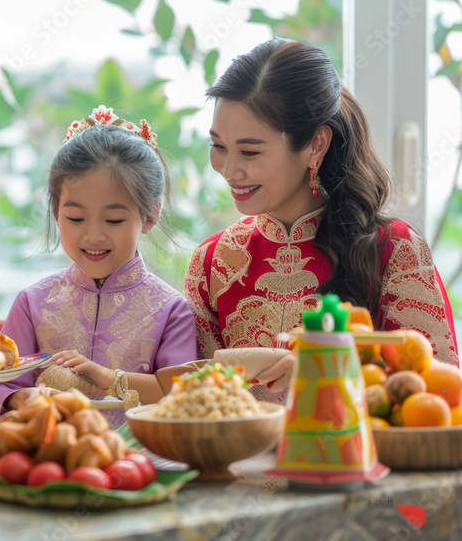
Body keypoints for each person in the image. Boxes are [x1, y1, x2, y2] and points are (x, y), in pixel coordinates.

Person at [186, 38, 458, 399]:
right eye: (219, 146)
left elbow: (439, 398)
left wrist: (324, 371)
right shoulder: (213, 261)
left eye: (250, 151)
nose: (229, 170)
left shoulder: (394, 250)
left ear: (316, 144)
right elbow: (192, 403)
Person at [0, 106, 199, 421]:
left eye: (113, 219)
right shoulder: (32, 302)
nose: (93, 235)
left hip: (141, 461)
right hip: (48, 459)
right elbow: (5, 383)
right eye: (76, 218)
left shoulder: (170, 310)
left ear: (151, 214)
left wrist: (111, 379)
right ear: (56, 211)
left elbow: (181, 393)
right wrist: (23, 397)